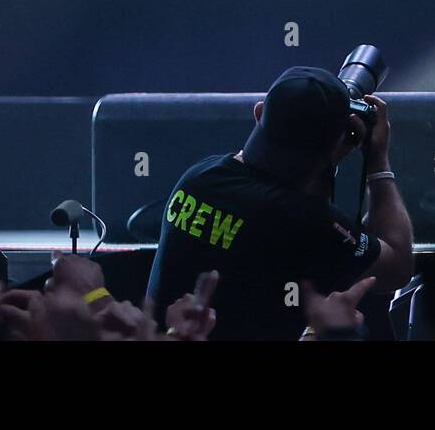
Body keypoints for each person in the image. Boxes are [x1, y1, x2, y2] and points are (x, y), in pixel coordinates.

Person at [145, 67, 415, 340]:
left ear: (259, 113)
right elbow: (397, 266)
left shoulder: (197, 178)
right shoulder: (303, 220)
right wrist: (377, 161)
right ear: (336, 144)